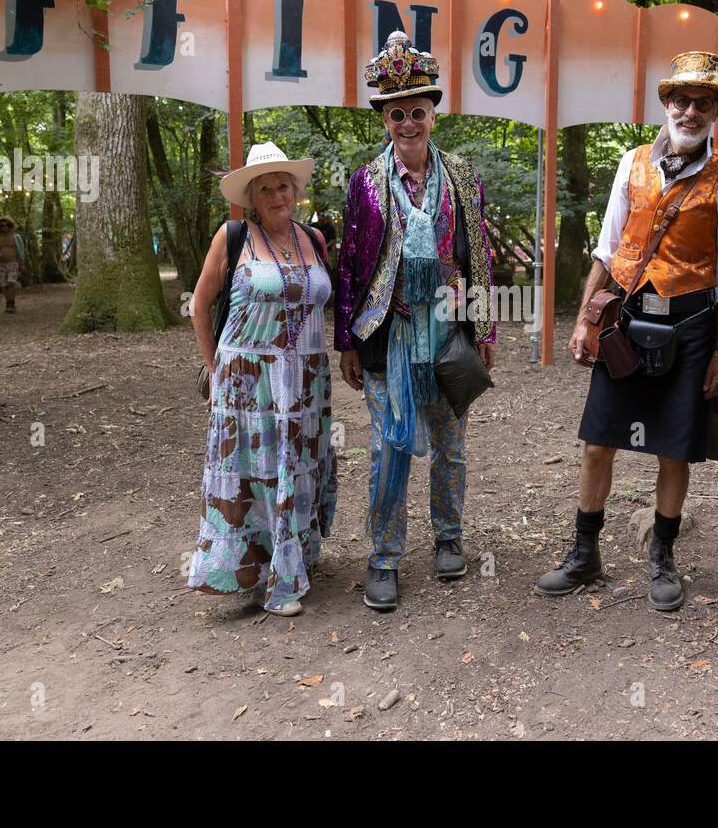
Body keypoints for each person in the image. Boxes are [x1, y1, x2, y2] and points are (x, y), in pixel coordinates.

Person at [535, 51, 718, 611]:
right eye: (681, 99)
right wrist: (584, 320)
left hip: (694, 323)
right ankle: (584, 555)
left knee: (675, 450)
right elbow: (606, 250)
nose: (690, 110)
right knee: (598, 441)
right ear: (667, 103)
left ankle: (662, 559)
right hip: (626, 321)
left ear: (717, 110)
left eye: (704, 102)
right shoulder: (632, 164)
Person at [335, 30, 497, 612]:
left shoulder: (460, 175)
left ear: (433, 114)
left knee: (452, 444)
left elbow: (481, 255)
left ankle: (449, 536)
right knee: (390, 448)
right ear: (385, 121)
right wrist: (346, 340)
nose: (408, 123)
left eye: (418, 112)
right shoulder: (366, 183)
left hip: (449, 328)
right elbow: (350, 263)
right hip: (389, 331)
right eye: (397, 114)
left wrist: (485, 329)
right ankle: (383, 559)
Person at [186, 142, 337, 618]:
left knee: (299, 465)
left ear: (296, 191)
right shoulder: (234, 236)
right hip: (248, 378)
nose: (277, 195)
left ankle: (293, 558)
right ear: (252, 196)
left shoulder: (313, 239)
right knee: (258, 469)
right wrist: (215, 371)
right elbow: (198, 306)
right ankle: (259, 571)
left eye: (284, 186)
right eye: (266, 188)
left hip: (307, 377)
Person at [0, 217, 25, 312]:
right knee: (4, 285)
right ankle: (8, 304)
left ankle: (11, 303)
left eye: (7, 225)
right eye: (2, 225)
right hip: (0, 265)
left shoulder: (16, 237)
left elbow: (21, 250)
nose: (5, 227)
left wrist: (22, 262)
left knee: (12, 283)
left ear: (10, 226)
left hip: (13, 263)